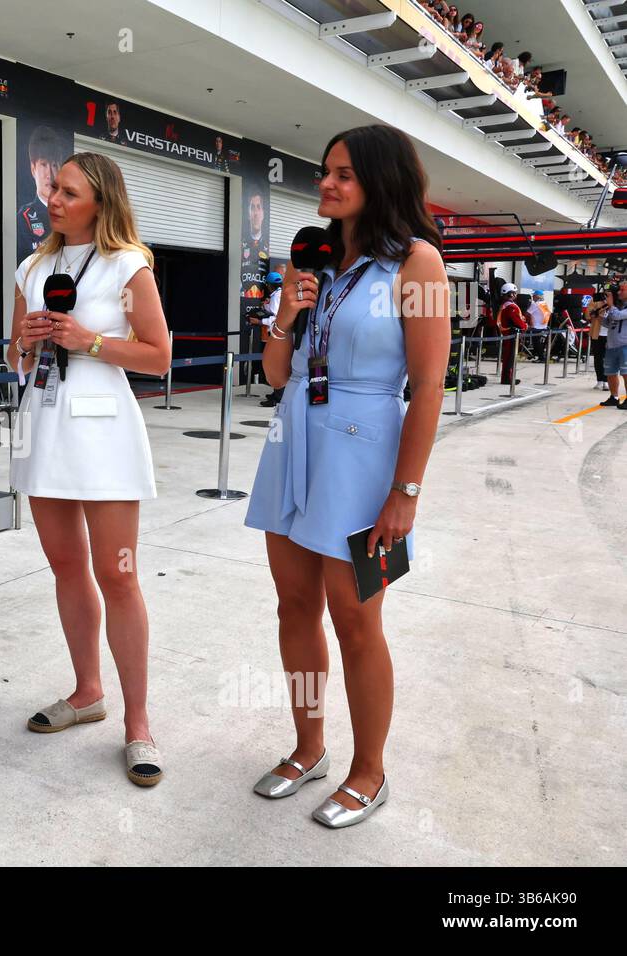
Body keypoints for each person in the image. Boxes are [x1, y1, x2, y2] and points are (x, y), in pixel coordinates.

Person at [244, 125, 450, 828]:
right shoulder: (319, 261)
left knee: (357, 621)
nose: (326, 184)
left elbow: (427, 387)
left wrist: (406, 492)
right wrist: (286, 312)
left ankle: (370, 771)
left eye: (343, 174)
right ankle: (309, 749)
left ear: (381, 181)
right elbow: (276, 374)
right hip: (293, 441)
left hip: (365, 456)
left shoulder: (417, 265)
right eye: (325, 172)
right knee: (292, 607)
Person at [6, 151, 171, 786]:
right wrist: (28, 343)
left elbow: (159, 356)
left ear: (100, 202)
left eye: (69, 192)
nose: (54, 200)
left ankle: (139, 722)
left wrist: (90, 341)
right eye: (54, 189)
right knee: (67, 566)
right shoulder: (32, 266)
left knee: (118, 574)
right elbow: (18, 356)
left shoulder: (129, 265)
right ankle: (86, 692)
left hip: (104, 436)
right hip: (44, 428)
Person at [18, 126, 66, 254]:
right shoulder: (24, 218)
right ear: (33, 168)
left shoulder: (70, 214)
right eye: (44, 164)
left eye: (55, 165)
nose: (50, 174)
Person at [254, 271, 285, 407]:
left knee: (276, 365)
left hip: (277, 335)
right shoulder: (279, 295)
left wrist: (259, 322)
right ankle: (276, 393)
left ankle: (277, 398)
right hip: (281, 335)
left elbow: (274, 318)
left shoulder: (276, 297)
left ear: (268, 285)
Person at [600, 280, 627, 408]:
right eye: (619, 290)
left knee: (626, 373)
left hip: (625, 345)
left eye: (622, 290)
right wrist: (599, 316)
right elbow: (609, 323)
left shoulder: (617, 308)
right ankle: (614, 397)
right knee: (610, 373)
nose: (618, 292)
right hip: (611, 345)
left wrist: (610, 305)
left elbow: (617, 316)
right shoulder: (617, 306)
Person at [496, 283, 527, 385]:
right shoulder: (510, 307)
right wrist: (525, 326)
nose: (515, 295)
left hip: (508, 334)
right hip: (511, 334)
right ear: (511, 294)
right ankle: (507, 379)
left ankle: (507, 378)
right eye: (514, 293)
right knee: (510, 357)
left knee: (508, 357)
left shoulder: (505, 305)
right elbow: (517, 321)